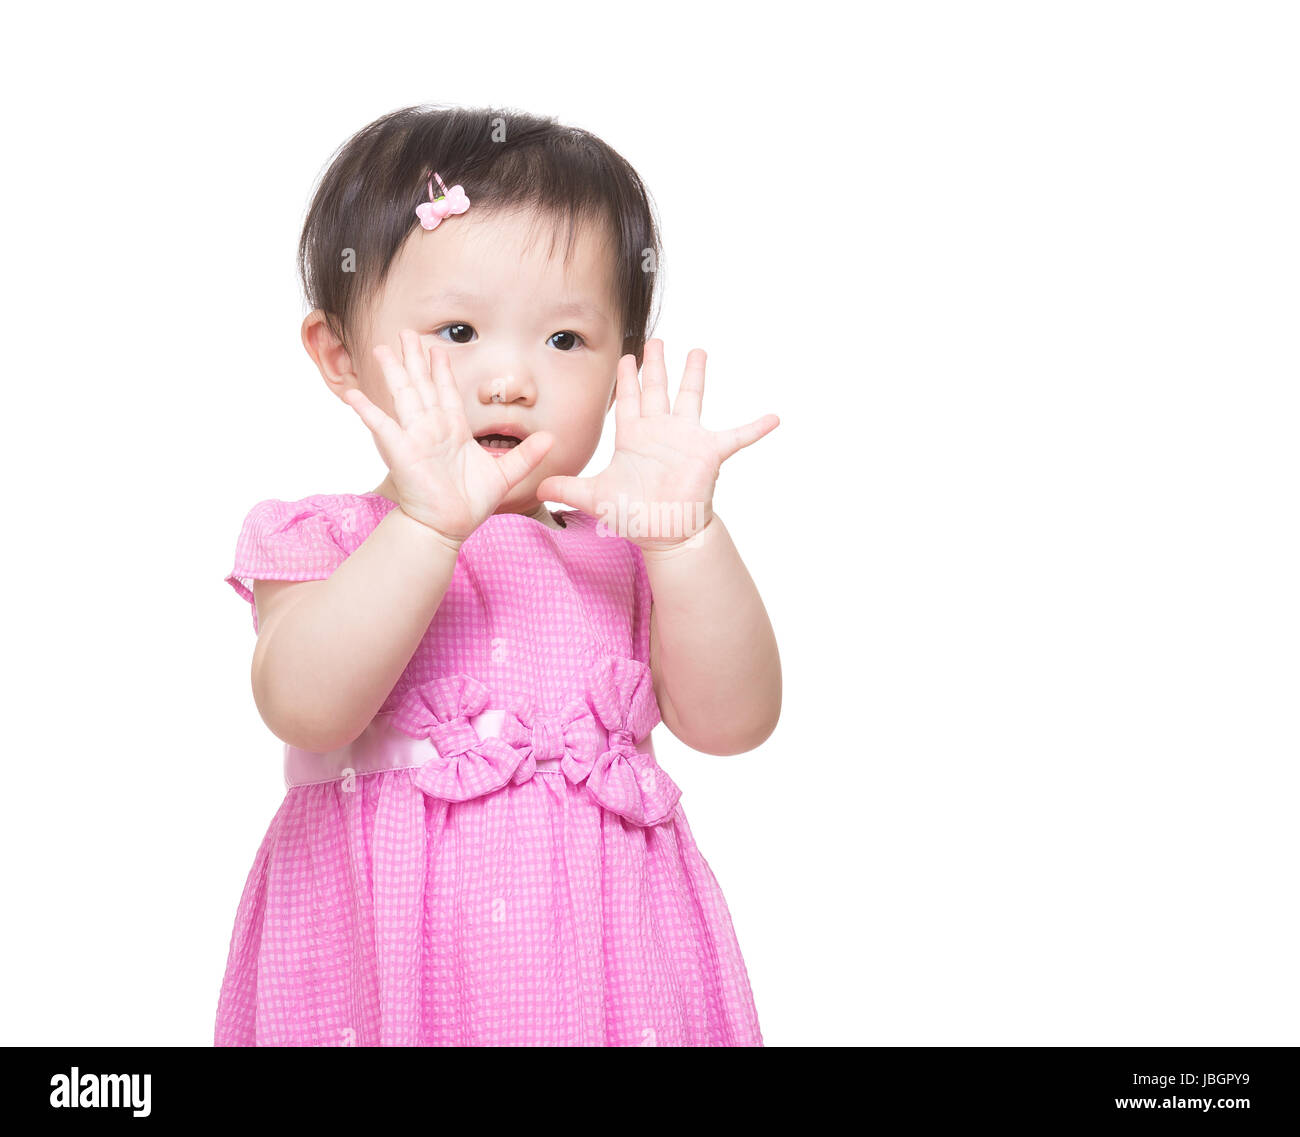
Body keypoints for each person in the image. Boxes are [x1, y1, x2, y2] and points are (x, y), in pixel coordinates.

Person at [214, 104, 781, 1046]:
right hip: (383, 968)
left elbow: (736, 722)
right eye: (458, 331)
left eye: (566, 341)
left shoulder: (625, 554)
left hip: (611, 980)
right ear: (341, 354)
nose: (511, 377)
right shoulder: (326, 537)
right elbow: (306, 706)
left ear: (623, 373)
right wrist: (429, 527)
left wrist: (686, 541)